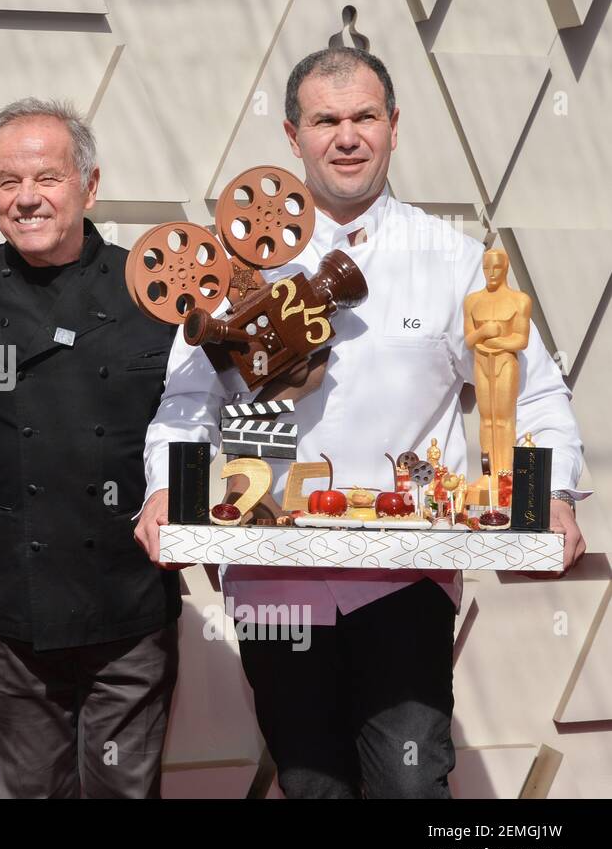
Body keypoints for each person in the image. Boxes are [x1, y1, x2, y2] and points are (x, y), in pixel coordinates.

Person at [135, 46, 586, 798]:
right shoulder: (240, 264)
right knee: (311, 785)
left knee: (409, 784)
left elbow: (533, 394)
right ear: (292, 135)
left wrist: (558, 493)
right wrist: (163, 492)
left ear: (394, 126)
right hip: (273, 584)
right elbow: (187, 403)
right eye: (325, 120)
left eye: (364, 117)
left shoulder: (454, 260)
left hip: (404, 583)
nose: (347, 136)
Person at [0, 99, 180, 798]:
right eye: (7, 181)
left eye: (48, 177)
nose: (27, 197)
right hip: (10, 610)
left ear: (89, 186)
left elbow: (193, 416)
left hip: (129, 607)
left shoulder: (153, 290)